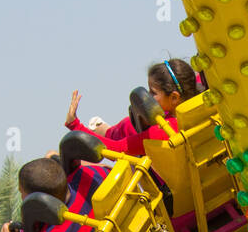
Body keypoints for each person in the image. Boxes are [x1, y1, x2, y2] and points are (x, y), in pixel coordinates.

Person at [65, 60, 201, 159]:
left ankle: (100, 127)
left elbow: (116, 149)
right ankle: (102, 128)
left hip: (170, 188)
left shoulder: (163, 131)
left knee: (129, 125)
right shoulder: (205, 110)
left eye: (153, 93)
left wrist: (75, 125)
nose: (148, 96)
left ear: (174, 98)